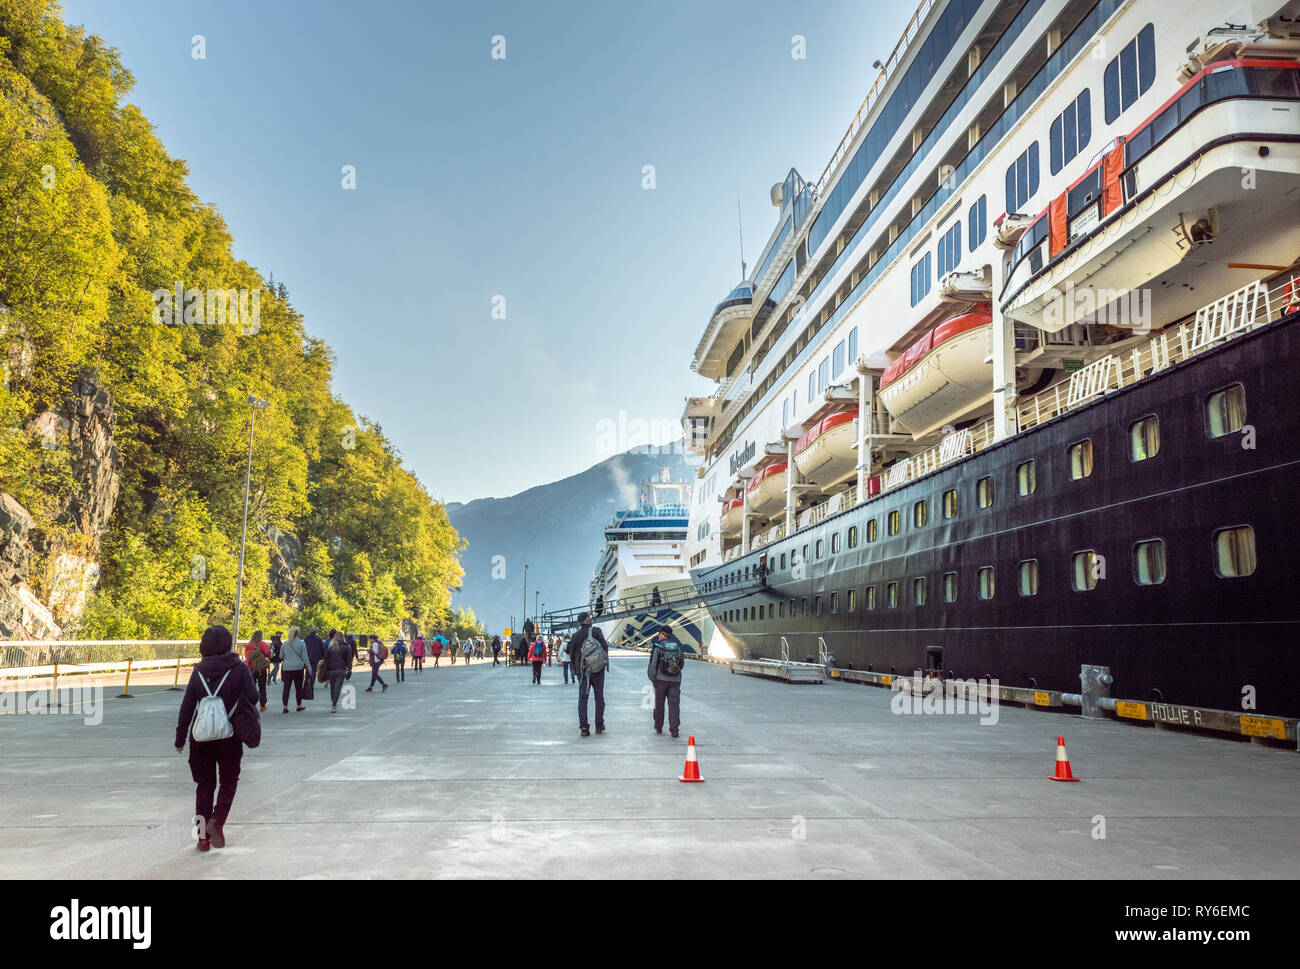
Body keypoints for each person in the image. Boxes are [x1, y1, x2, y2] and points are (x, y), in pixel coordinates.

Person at [175, 624, 258, 851]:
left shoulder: (198, 671)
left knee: (204, 786)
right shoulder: (239, 668)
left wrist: (180, 738)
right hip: (229, 737)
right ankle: (217, 821)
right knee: (229, 781)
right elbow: (254, 696)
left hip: (200, 738)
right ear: (228, 644)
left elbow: (187, 706)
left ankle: (202, 837)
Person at [567, 612, 609, 736]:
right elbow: (605, 647)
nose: (591, 619)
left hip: (583, 672)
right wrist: (602, 663)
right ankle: (599, 725)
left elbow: (572, 655)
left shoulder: (575, 636)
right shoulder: (596, 631)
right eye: (589, 617)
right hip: (598, 671)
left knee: (583, 699)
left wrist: (577, 671)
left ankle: (584, 727)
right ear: (586, 620)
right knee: (599, 697)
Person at [647, 625, 685, 738]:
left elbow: (653, 665)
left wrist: (653, 679)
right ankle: (674, 730)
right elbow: (682, 663)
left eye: (659, 633)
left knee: (659, 704)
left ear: (663, 634)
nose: (658, 635)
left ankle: (658, 726)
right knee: (674, 705)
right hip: (675, 681)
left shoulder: (658, 647)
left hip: (661, 680)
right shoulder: (677, 647)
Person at [280, 626, 310, 713]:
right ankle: (298, 705)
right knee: (298, 688)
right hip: (298, 668)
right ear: (298, 634)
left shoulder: (285, 644)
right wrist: (309, 667)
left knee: (286, 688)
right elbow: (305, 657)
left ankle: (285, 707)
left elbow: (281, 656)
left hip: (287, 668)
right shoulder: (301, 644)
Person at [325, 630, 353, 713]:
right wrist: (350, 668)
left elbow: (325, 658)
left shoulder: (331, 647)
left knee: (332, 688)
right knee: (338, 688)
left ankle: (333, 704)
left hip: (331, 670)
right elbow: (349, 659)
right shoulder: (346, 646)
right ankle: (334, 705)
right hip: (341, 669)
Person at [243, 630, 271, 711]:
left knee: (251, 686)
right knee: (262, 687)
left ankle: (251, 704)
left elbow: (246, 657)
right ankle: (262, 705)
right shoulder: (261, 643)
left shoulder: (249, 645)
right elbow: (268, 653)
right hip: (261, 669)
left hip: (250, 669)